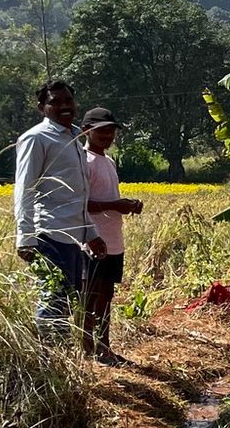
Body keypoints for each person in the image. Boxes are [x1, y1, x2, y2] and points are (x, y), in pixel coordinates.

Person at [13, 80, 103, 342]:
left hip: (73, 235)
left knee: (66, 299)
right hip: (49, 233)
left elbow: (78, 194)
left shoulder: (75, 137)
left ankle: (61, 358)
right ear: (42, 107)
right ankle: (50, 360)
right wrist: (25, 237)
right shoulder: (36, 138)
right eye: (55, 102)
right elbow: (25, 189)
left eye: (68, 101)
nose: (64, 106)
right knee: (53, 298)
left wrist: (91, 232)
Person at [81, 107, 145, 364]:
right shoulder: (84, 162)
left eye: (111, 130)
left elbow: (108, 198)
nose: (107, 135)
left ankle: (104, 346)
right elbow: (81, 204)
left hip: (113, 240)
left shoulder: (108, 161)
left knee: (107, 295)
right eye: (101, 131)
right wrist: (116, 205)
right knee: (90, 296)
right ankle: (88, 349)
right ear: (86, 130)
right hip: (92, 240)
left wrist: (129, 205)